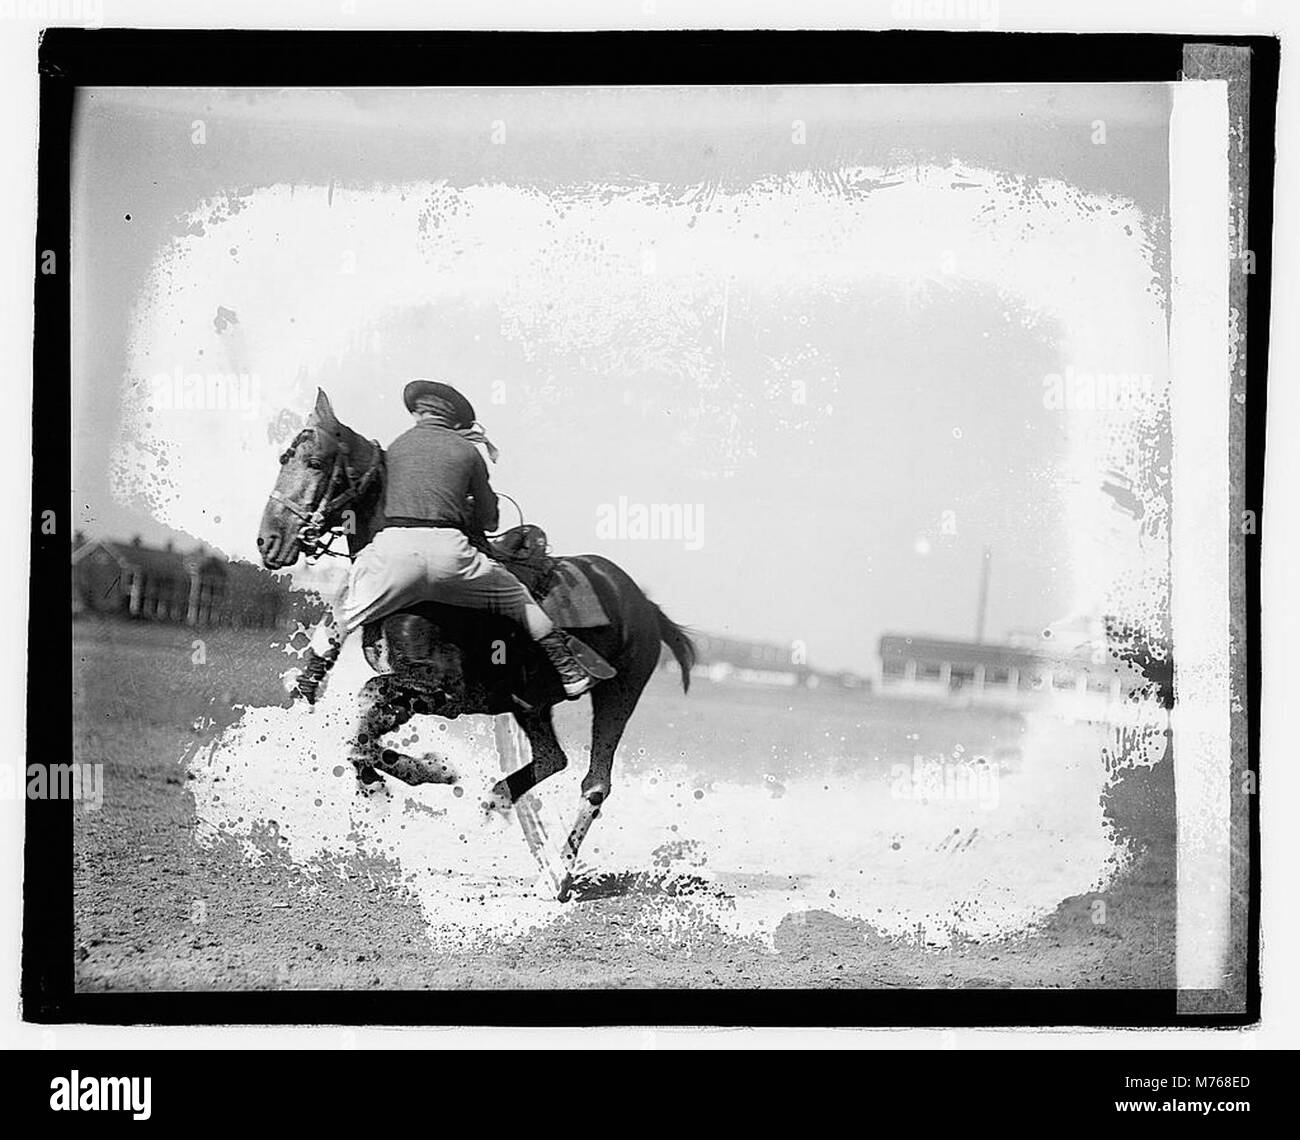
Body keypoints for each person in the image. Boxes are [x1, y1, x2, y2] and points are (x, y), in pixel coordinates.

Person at [288, 379, 613, 704]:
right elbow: (490, 520)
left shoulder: (398, 446)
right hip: (452, 555)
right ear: (454, 418)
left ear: (418, 412)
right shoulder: (467, 451)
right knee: (520, 600)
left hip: (395, 553)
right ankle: (570, 673)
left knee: (341, 613)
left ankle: (310, 678)